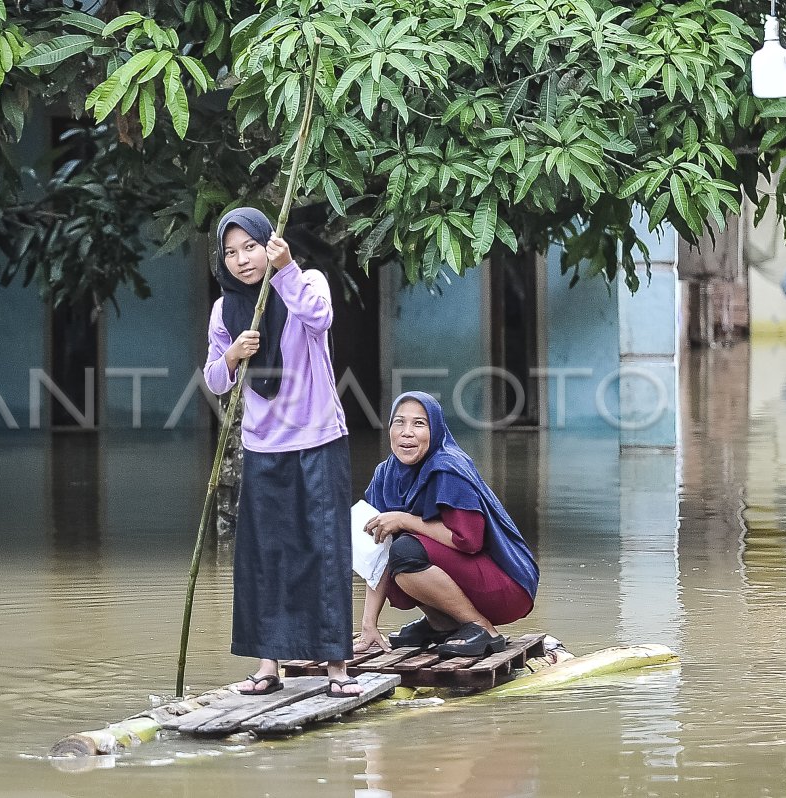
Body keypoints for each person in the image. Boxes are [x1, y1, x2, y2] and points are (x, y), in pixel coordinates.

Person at [202, 207, 361, 698]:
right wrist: (233, 355)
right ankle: (269, 666)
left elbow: (321, 317)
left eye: (250, 247)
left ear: (268, 244)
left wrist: (286, 268)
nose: (242, 260)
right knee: (266, 557)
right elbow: (213, 378)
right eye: (230, 252)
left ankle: (337, 669)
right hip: (263, 445)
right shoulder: (225, 309)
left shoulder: (305, 281)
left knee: (324, 551)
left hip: (317, 438)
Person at [353, 391, 539, 657]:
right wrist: (369, 625)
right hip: (463, 579)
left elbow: (470, 540)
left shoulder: (448, 467)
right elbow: (375, 552)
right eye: (399, 422)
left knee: (405, 551)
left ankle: (481, 627)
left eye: (419, 424)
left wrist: (405, 520)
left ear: (436, 429)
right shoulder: (385, 474)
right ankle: (441, 624)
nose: (407, 432)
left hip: (507, 585)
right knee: (394, 555)